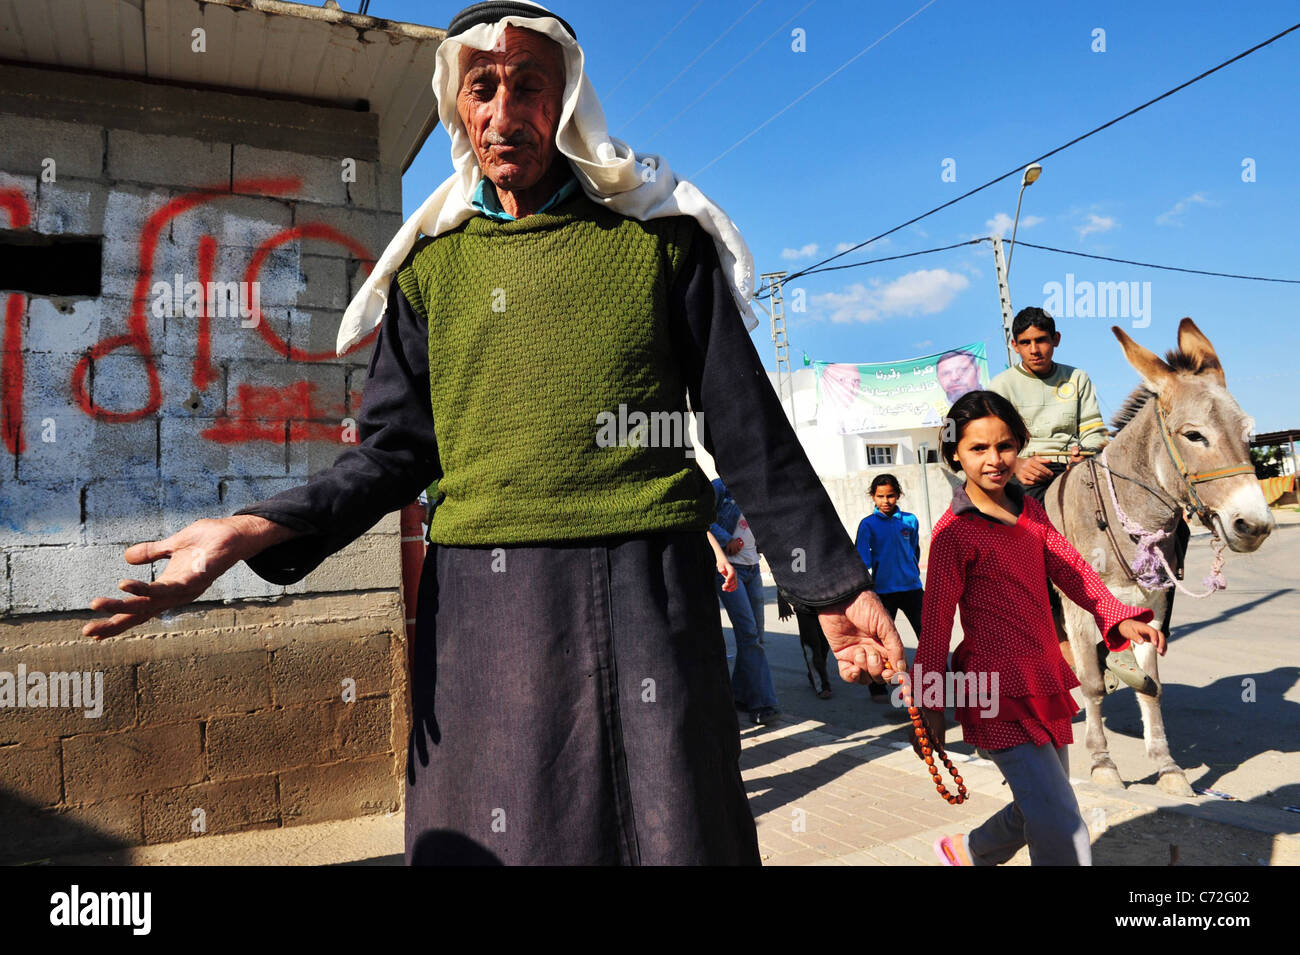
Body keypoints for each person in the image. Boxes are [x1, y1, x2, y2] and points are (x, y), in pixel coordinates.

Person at [81, 1, 906, 866]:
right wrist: (261, 525)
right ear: (458, 105)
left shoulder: (660, 244)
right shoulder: (431, 271)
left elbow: (750, 434)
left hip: (651, 595)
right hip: (487, 612)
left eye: (529, 87)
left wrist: (836, 587)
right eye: (484, 88)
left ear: (566, 101)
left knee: (677, 833)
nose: (504, 115)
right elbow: (393, 452)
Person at [921, 391, 1164, 866]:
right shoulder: (953, 533)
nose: (994, 460)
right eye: (978, 449)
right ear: (954, 453)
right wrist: (930, 702)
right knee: (1061, 818)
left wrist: (1117, 613)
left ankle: (966, 851)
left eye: (1005, 445)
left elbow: (1072, 567)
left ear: (1021, 444)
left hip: (1045, 680)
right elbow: (934, 623)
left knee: (1043, 804)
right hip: (993, 690)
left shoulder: (1030, 512)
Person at [989, 306, 1157, 691]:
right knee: (1033, 549)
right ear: (1014, 346)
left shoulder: (1076, 378)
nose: (1035, 349)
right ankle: (1062, 639)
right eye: (1026, 342)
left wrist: (1087, 451)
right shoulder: (1002, 386)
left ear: (1055, 341)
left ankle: (1126, 621)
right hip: (1029, 476)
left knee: (1130, 524)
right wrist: (1017, 466)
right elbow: (996, 439)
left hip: (1078, 471)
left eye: (1042, 340)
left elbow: (1096, 431)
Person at [711, 479, 780, 725]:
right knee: (750, 636)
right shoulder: (721, 487)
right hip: (730, 570)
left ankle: (739, 695)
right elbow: (701, 516)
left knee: (754, 637)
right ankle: (762, 703)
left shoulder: (761, 487)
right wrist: (723, 538)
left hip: (753, 568)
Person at [854, 474, 924, 703]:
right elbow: (863, 560)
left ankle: (937, 681)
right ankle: (877, 686)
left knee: (929, 635)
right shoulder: (868, 525)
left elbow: (914, 550)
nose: (886, 501)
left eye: (890, 495)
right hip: (884, 591)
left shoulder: (910, 521)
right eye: (880, 496)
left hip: (912, 588)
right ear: (873, 497)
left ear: (898, 495)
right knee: (881, 641)